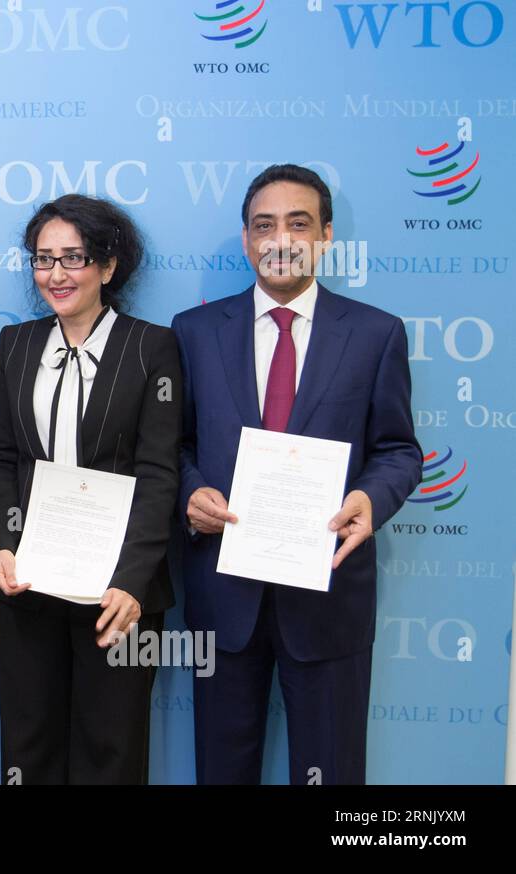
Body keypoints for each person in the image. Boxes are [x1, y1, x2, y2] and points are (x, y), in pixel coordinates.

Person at [172, 164, 421, 784]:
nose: (279, 239)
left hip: (328, 595)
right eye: (264, 225)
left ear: (327, 236)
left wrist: (371, 495)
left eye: (298, 223)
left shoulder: (375, 334)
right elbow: (170, 447)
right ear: (247, 239)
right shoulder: (194, 332)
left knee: (333, 775)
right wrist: (188, 492)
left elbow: (399, 449)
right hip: (223, 594)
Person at [0, 194, 181, 784]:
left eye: (74, 257)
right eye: (44, 260)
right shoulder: (16, 346)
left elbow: (159, 472)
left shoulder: (152, 348)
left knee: (110, 753)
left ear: (109, 266)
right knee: (28, 746)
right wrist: (2, 545)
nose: (57, 274)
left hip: (116, 594)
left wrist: (131, 580)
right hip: (30, 582)